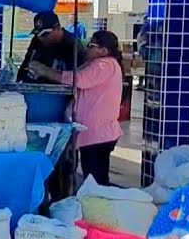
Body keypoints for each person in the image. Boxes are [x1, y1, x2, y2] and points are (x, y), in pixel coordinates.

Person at [30, 31, 123, 186]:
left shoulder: (105, 65)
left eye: (91, 46)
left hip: (98, 134)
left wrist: (46, 71)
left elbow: (78, 79)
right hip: (93, 134)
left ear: (103, 50)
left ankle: (96, 202)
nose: (87, 48)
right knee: (93, 180)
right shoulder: (97, 64)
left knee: (95, 182)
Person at [17, 11, 85, 84]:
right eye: (38, 34)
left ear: (57, 29)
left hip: (61, 90)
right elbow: (24, 67)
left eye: (45, 34)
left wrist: (46, 71)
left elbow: (77, 79)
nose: (41, 38)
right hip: (34, 88)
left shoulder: (73, 45)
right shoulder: (37, 41)